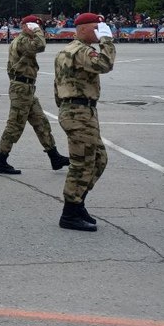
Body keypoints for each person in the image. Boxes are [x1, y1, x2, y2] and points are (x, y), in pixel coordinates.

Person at [54, 12, 115, 232]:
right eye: (96, 28)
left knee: (99, 159)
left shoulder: (66, 51)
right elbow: (105, 64)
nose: (99, 32)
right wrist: (108, 41)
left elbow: (57, 84)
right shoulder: (80, 51)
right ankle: (70, 213)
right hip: (79, 112)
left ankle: (77, 202)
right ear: (81, 30)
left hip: (78, 111)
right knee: (82, 163)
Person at [0, 15, 69, 174]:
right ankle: (1, 160)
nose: (37, 29)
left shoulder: (22, 40)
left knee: (41, 122)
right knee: (15, 125)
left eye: (38, 27)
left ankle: (54, 156)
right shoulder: (22, 41)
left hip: (25, 88)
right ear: (25, 26)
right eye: (34, 26)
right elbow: (40, 45)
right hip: (21, 88)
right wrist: (38, 32)